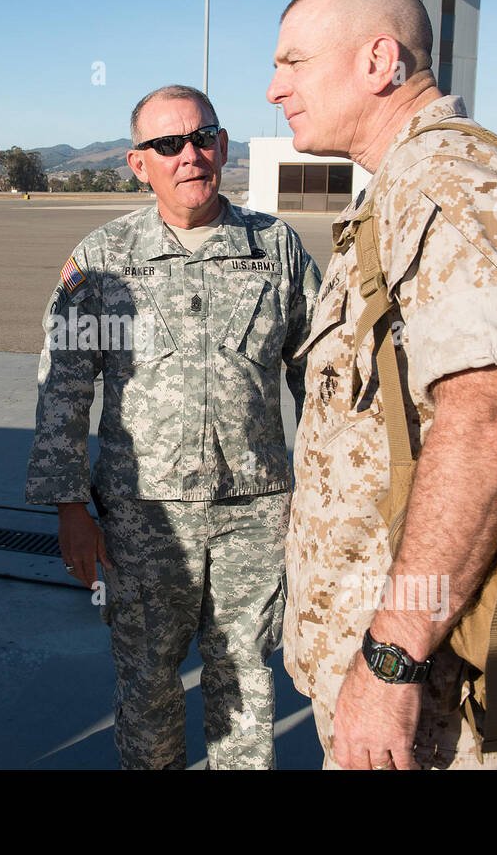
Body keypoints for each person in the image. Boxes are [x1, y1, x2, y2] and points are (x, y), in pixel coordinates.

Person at [266, 0, 497, 770]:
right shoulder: (401, 188)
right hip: (387, 667)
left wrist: (391, 661)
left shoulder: (445, 182)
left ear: (377, 60)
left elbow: (489, 419)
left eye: (293, 61)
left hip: (421, 691)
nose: (273, 87)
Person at [25, 85, 321, 769]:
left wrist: (325, 499)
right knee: (148, 686)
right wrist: (72, 509)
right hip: (143, 519)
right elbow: (63, 391)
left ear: (221, 145)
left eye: (203, 138)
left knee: (246, 681)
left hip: (256, 514)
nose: (190, 155)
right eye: (168, 144)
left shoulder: (274, 248)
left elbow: (319, 377)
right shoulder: (102, 262)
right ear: (139, 163)